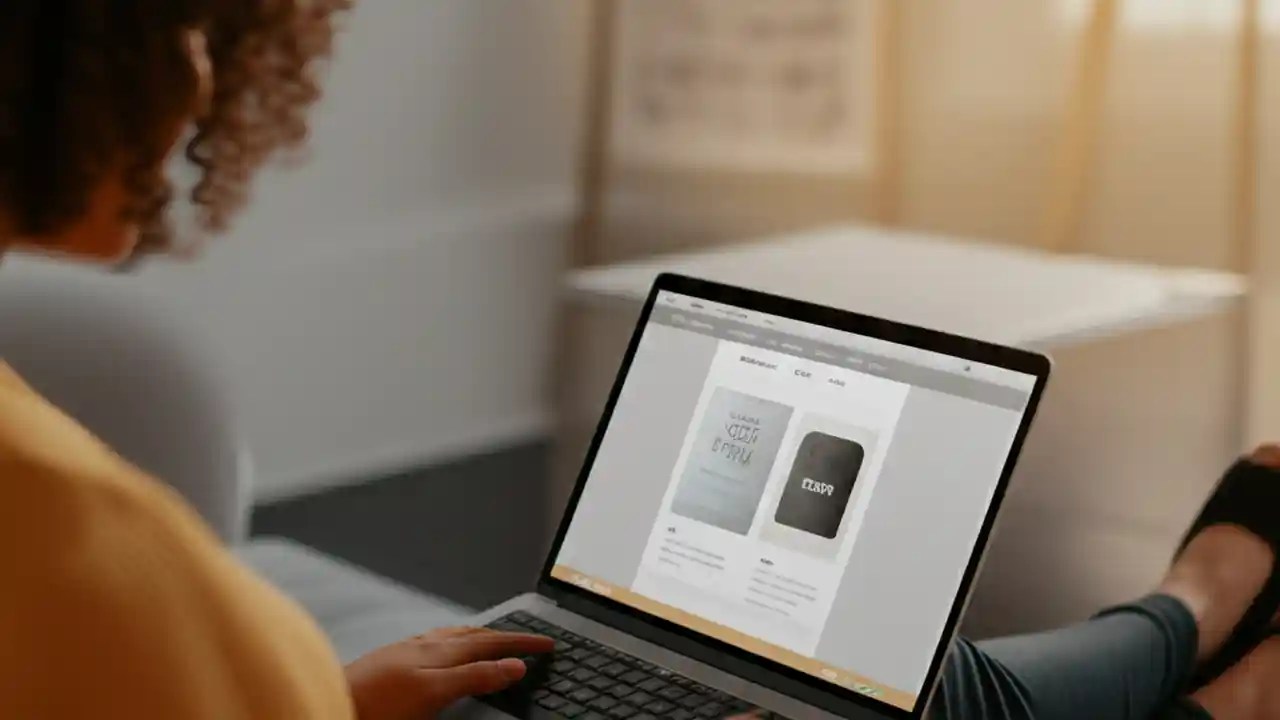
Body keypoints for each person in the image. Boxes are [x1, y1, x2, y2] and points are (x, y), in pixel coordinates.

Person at [0, 3, 1277, 719]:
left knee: (880, 688)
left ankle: (1186, 635)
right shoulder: (65, 526)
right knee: (909, 702)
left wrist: (333, 704)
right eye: (179, 24)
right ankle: (1190, 630)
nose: (205, 73)